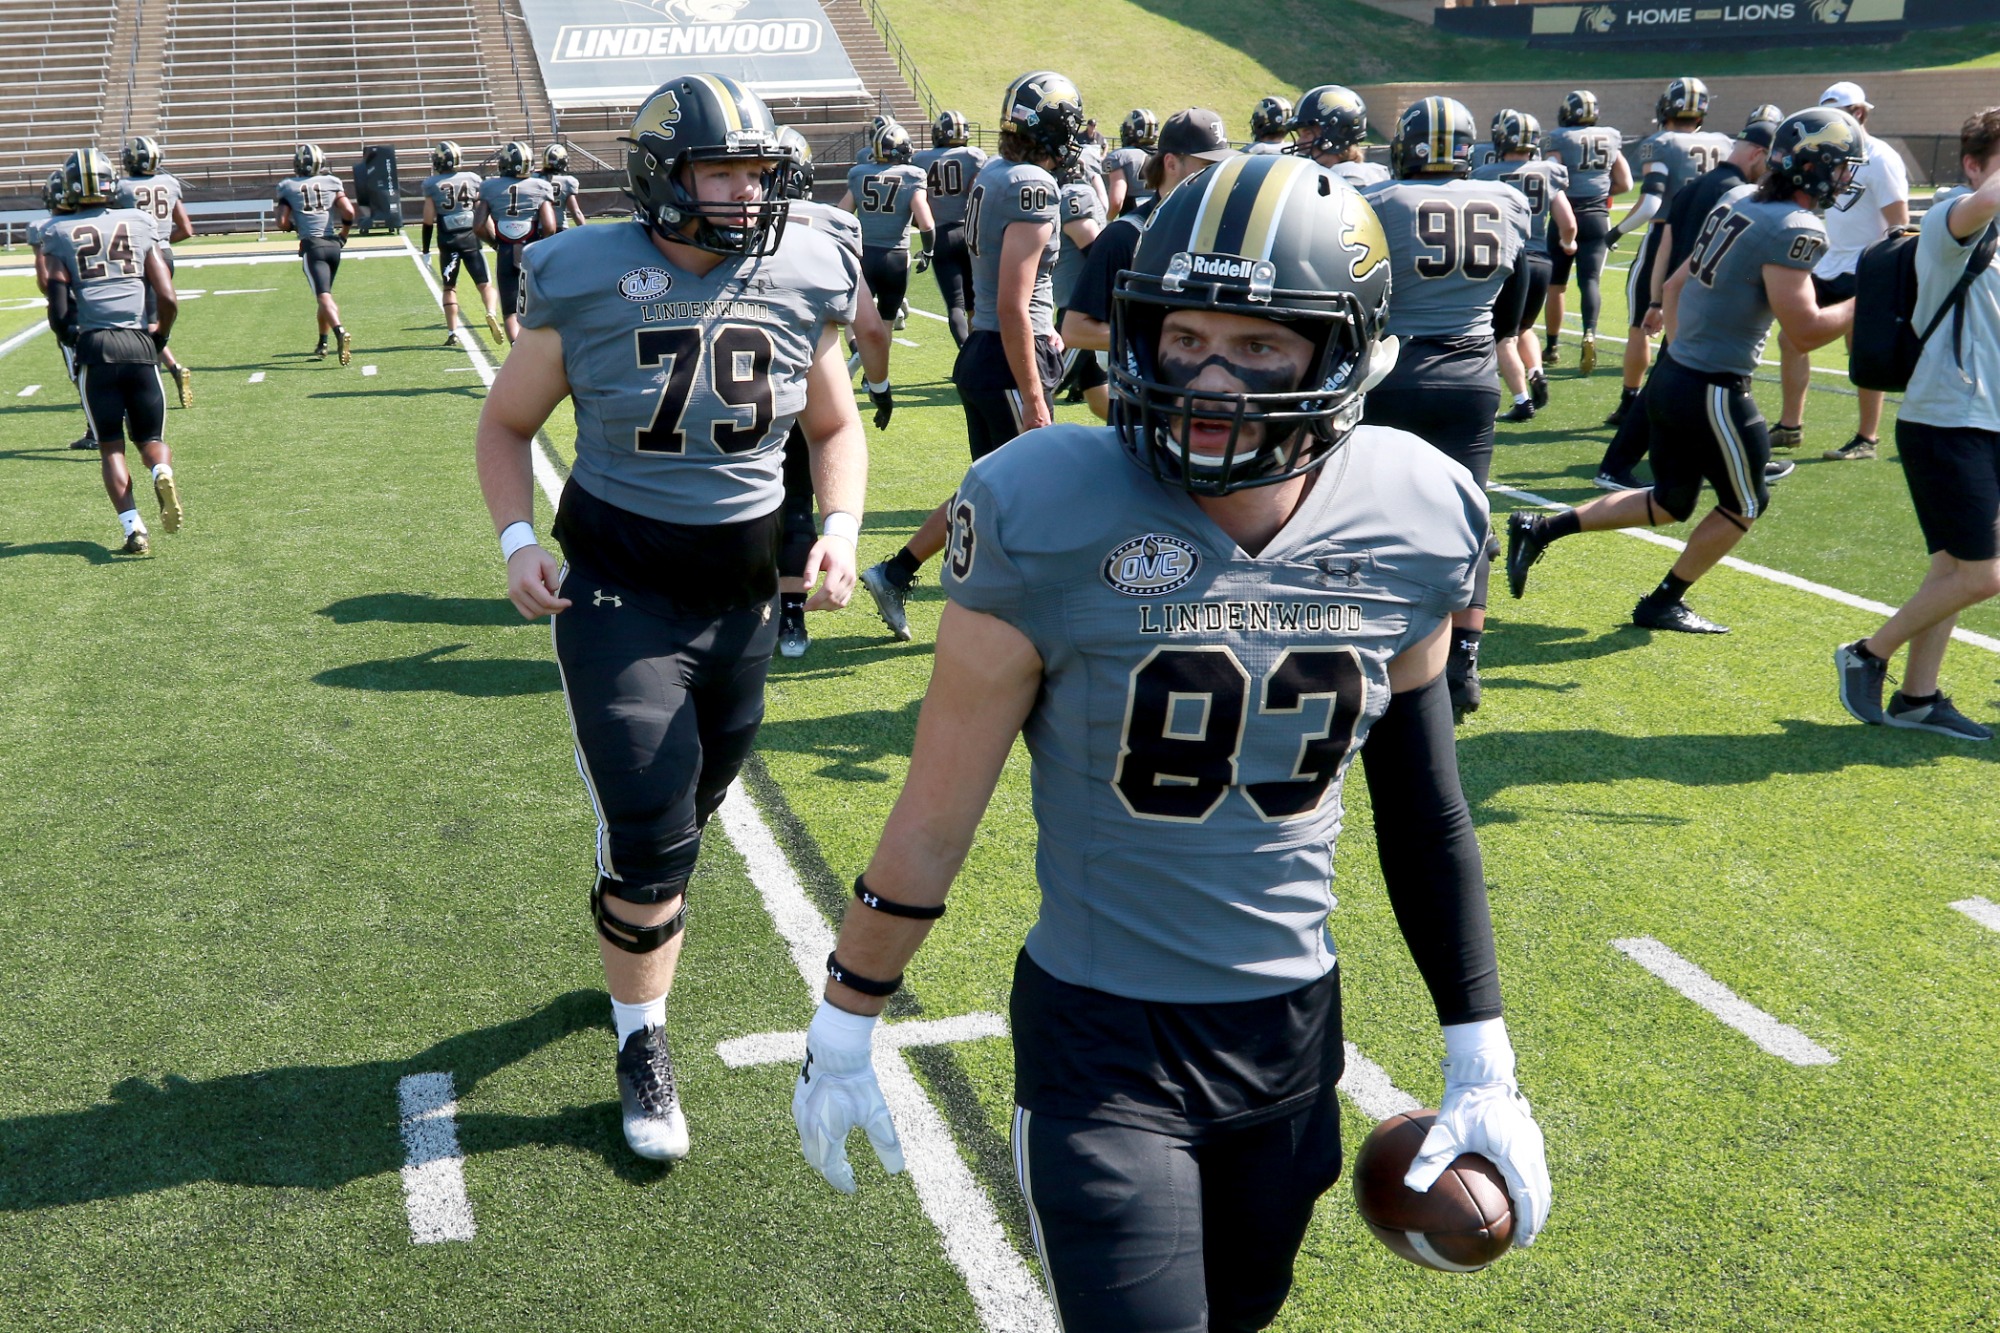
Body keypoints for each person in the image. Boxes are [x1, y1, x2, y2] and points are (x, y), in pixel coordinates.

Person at [790, 152, 1551, 1331]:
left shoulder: (1417, 505)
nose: (1209, 378)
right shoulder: (1043, 501)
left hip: (1294, 1036)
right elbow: (936, 811)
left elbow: (1422, 804)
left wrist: (1479, 1050)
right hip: (1104, 1044)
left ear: (1343, 354)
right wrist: (847, 1013)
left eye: (1259, 346)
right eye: (1184, 336)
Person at [473, 74, 866, 1160]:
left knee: (692, 810)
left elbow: (832, 424)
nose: (747, 193)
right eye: (722, 170)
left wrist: (837, 523)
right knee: (652, 832)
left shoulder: (803, 262)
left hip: (741, 598)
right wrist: (517, 541)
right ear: (659, 177)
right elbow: (506, 424)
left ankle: (634, 908)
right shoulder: (586, 273)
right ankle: (642, 1039)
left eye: (757, 170)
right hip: (620, 587)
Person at [1507, 109, 1863, 638]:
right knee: (1745, 503)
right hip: (1713, 386)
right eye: (1838, 168)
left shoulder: (1740, 198)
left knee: (1671, 500)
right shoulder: (1796, 225)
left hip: (1676, 373)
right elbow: (1807, 331)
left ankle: (1541, 527)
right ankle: (1662, 602)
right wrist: (1869, 295)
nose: (1844, 180)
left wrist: (1683, 352)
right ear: (1812, 166)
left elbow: (1674, 287)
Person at [857, 70, 1083, 642]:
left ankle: (896, 570)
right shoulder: (1033, 183)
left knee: (989, 491)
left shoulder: (997, 171)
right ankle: (1019, 614)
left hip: (990, 349)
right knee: (1037, 493)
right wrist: (1034, 394)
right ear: (1053, 127)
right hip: (1010, 354)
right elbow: (1012, 302)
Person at [1362, 95, 1530, 720]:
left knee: (1371, 507)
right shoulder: (1507, 201)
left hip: (1392, 374)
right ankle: (1462, 662)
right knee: (1469, 516)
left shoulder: (1379, 203)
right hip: (1472, 378)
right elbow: (1522, 287)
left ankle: (1373, 638)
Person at [1835, 107, 2000, 741]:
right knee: (1982, 575)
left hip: (1984, 422)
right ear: (1971, 164)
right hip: (1947, 420)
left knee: (1952, 572)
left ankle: (1917, 698)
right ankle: (1868, 654)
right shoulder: (1951, 217)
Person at [1593, 109, 1780, 491]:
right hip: (1702, 300)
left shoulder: (1694, 185)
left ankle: (1739, 460)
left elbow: (1665, 245)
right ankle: (1618, 466)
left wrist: (1658, 301)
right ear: (1759, 153)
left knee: (1676, 381)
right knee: (1698, 381)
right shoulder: (1738, 193)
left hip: (1681, 296)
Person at [775, 123, 892, 660]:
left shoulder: (712, 229)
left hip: (727, 384)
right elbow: (868, 325)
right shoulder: (831, 227)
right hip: (805, 378)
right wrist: (879, 383)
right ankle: (792, 618)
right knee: (798, 499)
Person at [43, 148, 183, 556]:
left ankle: (134, 529)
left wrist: (73, 338)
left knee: (110, 446)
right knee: (151, 439)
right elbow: (168, 297)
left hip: (95, 345)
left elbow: (57, 302)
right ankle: (161, 469)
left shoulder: (56, 231)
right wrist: (159, 337)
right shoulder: (139, 222)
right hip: (139, 341)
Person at [1775, 82, 1911, 462]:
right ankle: (1790, 426)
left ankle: (1867, 438)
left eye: (1842, 114)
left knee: (1862, 350)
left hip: (1864, 267)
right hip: (1830, 262)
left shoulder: (1881, 158)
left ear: (1860, 113)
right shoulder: (1831, 155)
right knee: (1792, 339)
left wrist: (1886, 277)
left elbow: (1898, 224)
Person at [1058, 107, 1235, 371]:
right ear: (1171, 164)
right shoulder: (1124, 236)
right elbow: (1075, 330)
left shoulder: (1223, 233)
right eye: (1207, 166)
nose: (1217, 177)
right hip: (1143, 401)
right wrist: (1166, 339)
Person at [1603, 78, 1732, 430]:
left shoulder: (1661, 142)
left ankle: (1630, 402)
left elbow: (1651, 204)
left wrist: (1614, 232)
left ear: (1665, 109)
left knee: (1642, 326)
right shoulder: (1723, 143)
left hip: (1668, 237)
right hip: (1715, 241)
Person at [1473, 110, 1576, 423]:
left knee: (1502, 336)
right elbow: (1568, 223)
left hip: (1509, 263)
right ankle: (1536, 374)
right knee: (1524, 328)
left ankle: (1521, 402)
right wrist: (1569, 244)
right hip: (1542, 260)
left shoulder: (1485, 174)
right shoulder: (1549, 172)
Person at [1542, 90, 1631, 374]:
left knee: (1557, 284)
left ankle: (1553, 347)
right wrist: (1602, 193)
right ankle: (1589, 333)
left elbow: (1551, 174)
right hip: (1597, 216)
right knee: (1590, 280)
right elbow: (1626, 182)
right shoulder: (1610, 137)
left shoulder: (1559, 138)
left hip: (1566, 212)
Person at [112, 136, 194, 409]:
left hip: (140, 258)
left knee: (143, 322)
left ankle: (166, 370)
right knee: (150, 320)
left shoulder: (122, 187)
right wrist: (161, 241)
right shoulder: (170, 184)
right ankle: (161, 369)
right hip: (166, 255)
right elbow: (186, 229)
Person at [840, 120, 934, 342]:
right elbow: (927, 223)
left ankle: (858, 354)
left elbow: (842, 214)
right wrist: (928, 250)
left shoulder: (859, 173)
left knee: (855, 318)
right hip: (896, 258)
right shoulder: (912, 175)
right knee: (887, 322)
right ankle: (875, 375)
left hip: (864, 255)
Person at [30, 168, 98, 452]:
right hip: (106, 305)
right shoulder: (99, 221)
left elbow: (47, 282)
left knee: (81, 373)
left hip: (71, 311)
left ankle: (96, 430)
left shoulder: (47, 229)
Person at [273, 143, 355, 364]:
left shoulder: (288, 186)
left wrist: (294, 227)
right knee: (325, 295)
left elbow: (281, 222)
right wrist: (344, 234)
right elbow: (349, 210)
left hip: (313, 245)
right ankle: (323, 341)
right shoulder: (332, 182)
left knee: (323, 296)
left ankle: (339, 332)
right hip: (333, 245)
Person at [418, 140, 505, 347]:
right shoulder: (473, 179)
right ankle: (491, 312)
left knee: (449, 288)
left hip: (448, 241)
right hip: (471, 238)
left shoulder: (432, 184)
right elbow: (483, 215)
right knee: (485, 285)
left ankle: (452, 332)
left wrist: (425, 249)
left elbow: (428, 220)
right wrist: (494, 241)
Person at [912, 110, 987, 348]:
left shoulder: (920, 160)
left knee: (956, 304)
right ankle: (980, 356)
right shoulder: (973, 156)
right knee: (976, 303)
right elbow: (982, 194)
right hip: (970, 234)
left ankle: (967, 357)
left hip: (940, 235)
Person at [476, 141, 559, 345]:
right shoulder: (540, 186)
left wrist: (495, 243)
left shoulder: (489, 187)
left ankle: (517, 348)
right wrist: (540, 246)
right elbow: (550, 226)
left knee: (510, 311)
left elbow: (478, 226)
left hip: (505, 251)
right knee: (538, 305)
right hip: (532, 250)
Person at [1290, 84, 1388, 189]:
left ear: (1338, 132)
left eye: (1307, 133)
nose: (1299, 142)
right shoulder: (1375, 175)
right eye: (1300, 135)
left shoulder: (1348, 179)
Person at [1104, 108, 1156, 217]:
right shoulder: (1165, 157)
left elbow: (1116, 201)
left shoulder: (1121, 156)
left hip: (1132, 220)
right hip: (1160, 220)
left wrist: (1108, 221)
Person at [541, 142, 588, 231]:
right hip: (560, 227)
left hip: (541, 227)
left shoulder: (535, 180)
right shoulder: (567, 181)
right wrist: (585, 231)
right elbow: (575, 212)